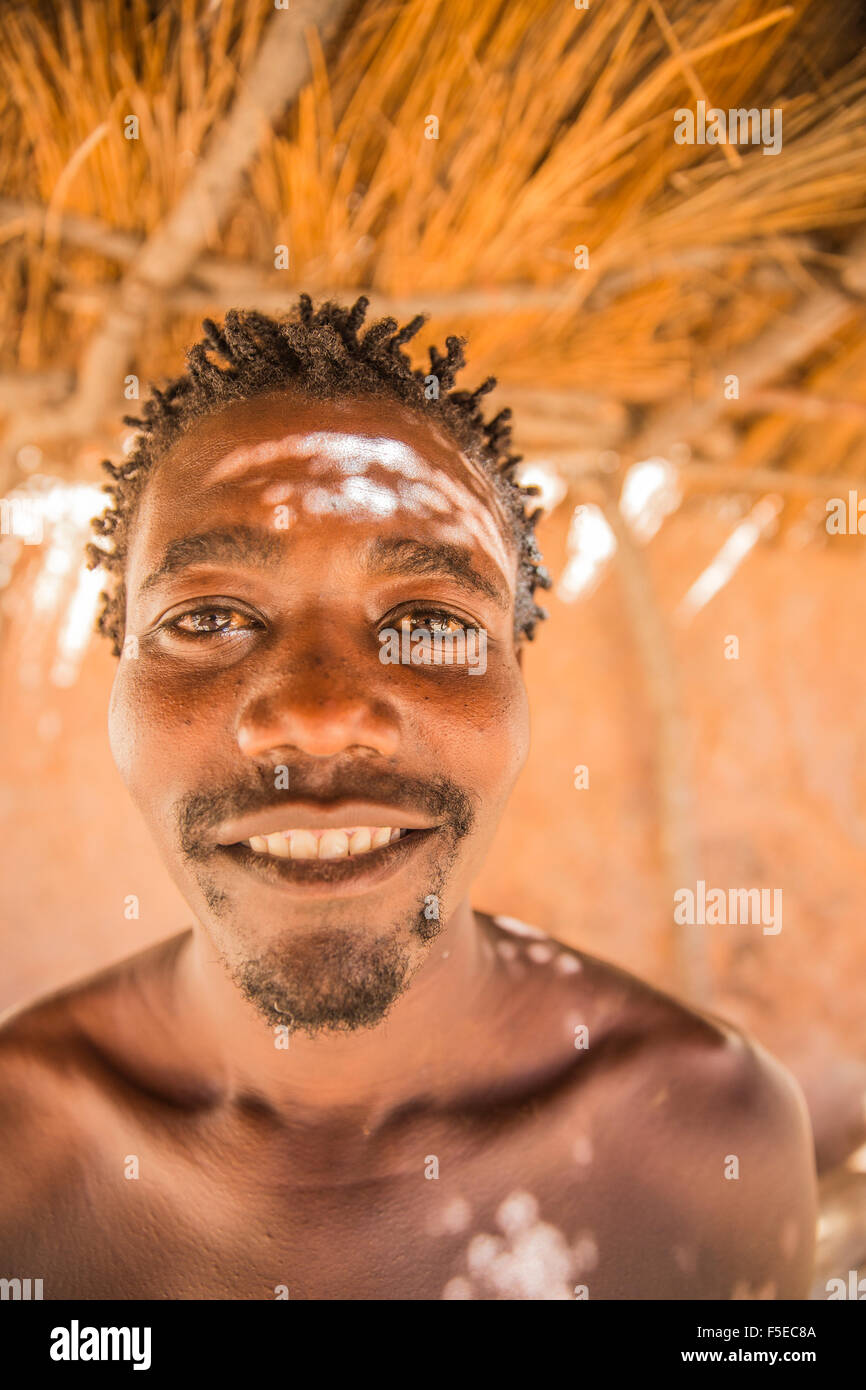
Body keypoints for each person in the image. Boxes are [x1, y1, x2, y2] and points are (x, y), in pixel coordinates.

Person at [0, 296, 816, 1300]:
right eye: (209, 615)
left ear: (517, 682)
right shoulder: (14, 1159)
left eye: (428, 618)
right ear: (119, 676)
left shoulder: (712, 1141)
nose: (319, 715)